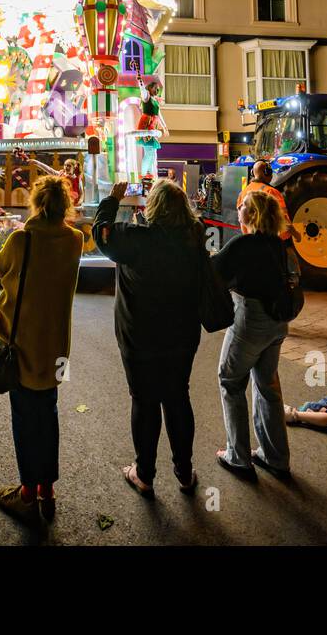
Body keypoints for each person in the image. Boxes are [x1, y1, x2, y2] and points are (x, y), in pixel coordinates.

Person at [94, 178, 207, 496]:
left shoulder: (136, 239)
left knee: (144, 401)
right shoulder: (193, 238)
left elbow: (101, 234)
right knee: (177, 399)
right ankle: (185, 473)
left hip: (139, 338)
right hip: (182, 336)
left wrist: (111, 201)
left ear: (152, 208)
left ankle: (144, 474)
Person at [0, 176, 84, 525]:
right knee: (49, 413)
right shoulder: (75, 240)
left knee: (25, 419)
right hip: (57, 347)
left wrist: (19, 231)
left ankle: (28, 493)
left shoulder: (20, 239)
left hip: (23, 346)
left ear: (36, 203)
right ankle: (47, 488)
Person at [211, 189, 295, 480]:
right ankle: (276, 457)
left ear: (254, 214)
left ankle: (238, 457)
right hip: (278, 325)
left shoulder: (244, 244)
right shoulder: (277, 244)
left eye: (244, 205)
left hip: (250, 322)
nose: (239, 208)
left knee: (230, 381)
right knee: (267, 386)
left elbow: (213, 271)